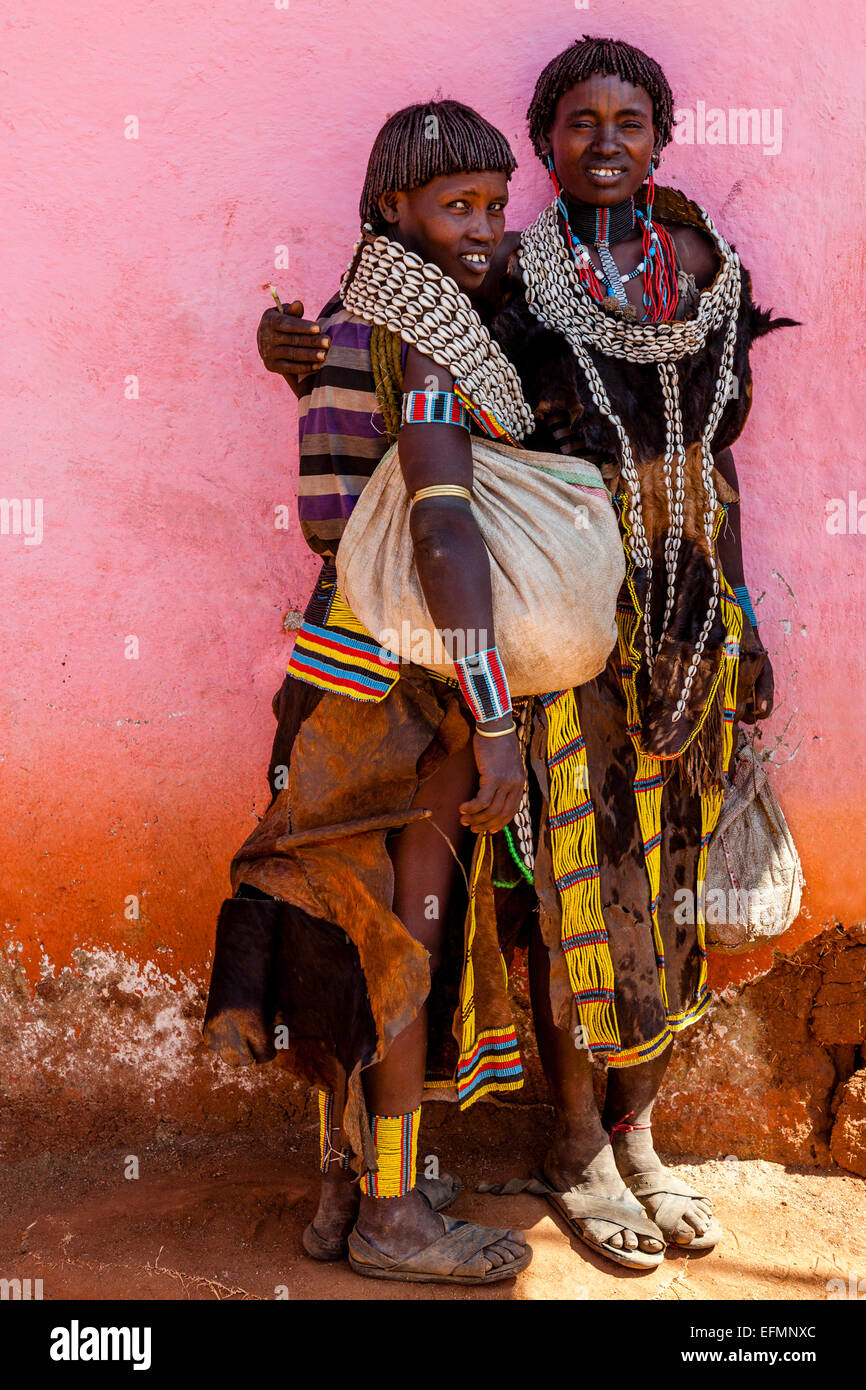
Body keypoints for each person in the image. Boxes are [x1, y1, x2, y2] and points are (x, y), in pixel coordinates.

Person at [262, 36, 793, 1270]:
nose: (603, 142)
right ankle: (516, 1164)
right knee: (500, 909)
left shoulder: (693, 276)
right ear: (544, 141)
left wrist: (741, 620)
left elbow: (709, 468)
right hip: (494, 658)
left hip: (613, 639)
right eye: (575, 122)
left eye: (628, 119)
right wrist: (290, 348)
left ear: (661, 135)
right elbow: (426, 472)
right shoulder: (481, 298)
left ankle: (573, 1150)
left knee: (602, 903)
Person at [204, 99, 541, 1286]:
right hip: (402, 694)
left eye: (496, 206)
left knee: (341, 937)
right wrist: (492, 717)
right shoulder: (425, 341)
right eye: (458, 206)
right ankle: (397, 1216)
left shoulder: (350, 322)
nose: (486, 229)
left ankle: (343, 1189)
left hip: (323, 679)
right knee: (407, 940)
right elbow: (444, 533)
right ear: (391, 207)